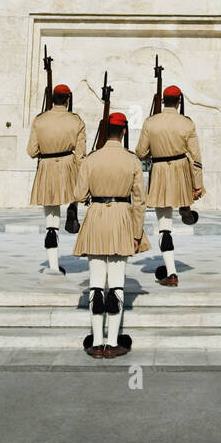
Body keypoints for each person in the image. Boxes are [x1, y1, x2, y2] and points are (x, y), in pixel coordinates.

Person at [73, 113, 149, 359]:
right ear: (124, 132)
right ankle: (113, 342)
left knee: (96, 282)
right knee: (116, 282)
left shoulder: (92, 159)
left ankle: (96, 342)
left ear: (104, 132)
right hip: (121, 218)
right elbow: (140, 201)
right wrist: (137, 233)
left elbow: (79, 193)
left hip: (96, 217)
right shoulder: (132, 161)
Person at [136, 85, 205, 287]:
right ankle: (185, 206)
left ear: (163, 101)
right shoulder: (186, 123)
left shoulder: (151, 122)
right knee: (181, 198)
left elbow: (140, 152)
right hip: (181, 171)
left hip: (160, 172)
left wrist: (154, 152)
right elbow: (196, 157)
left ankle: (172, 272)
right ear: (180, 102)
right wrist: (198, 185)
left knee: (164, 227)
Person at [26, 83, 86, 274]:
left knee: (51, 219)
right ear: (68, 100)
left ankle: (53, 265)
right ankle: (73, 207)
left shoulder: (40, 120)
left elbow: (31, 151)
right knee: (73, 195)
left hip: (47, 167)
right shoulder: (76, 121)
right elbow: (81, 155)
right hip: (68, 164)